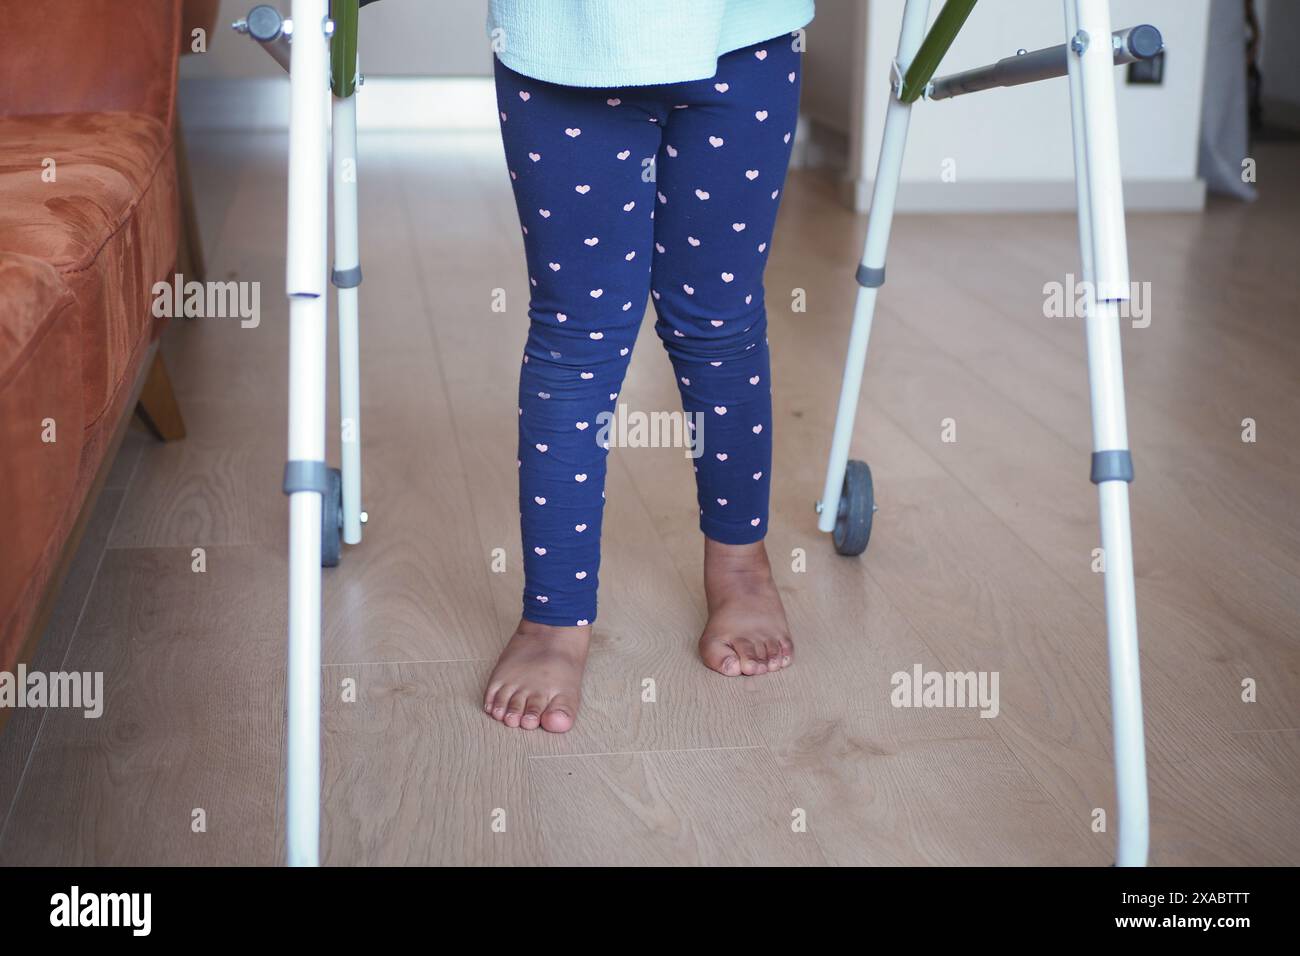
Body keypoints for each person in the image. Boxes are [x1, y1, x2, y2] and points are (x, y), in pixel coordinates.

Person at [483, 0, 815, 732]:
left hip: (743, 35)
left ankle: (740, 565)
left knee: (720, 324)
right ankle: (553, 616)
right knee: (577, 338)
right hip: (564, 43)